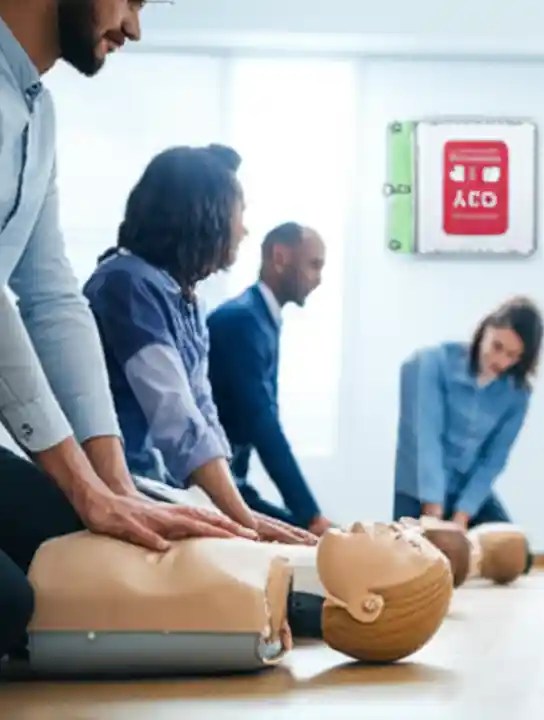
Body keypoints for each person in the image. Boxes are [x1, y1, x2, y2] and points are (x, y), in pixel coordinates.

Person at [0, 1, 254, 663]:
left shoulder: (36, 114)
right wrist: (87, 486)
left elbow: (49, 295)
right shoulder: (130, 283)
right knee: (9, 602)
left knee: (79, 540)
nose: (135, 27)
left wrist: (111, 488)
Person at [82, 144, 317, 548]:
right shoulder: (127, 282)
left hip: (163, 485)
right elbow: (175, 414)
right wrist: (246, 523)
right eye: (239, 215)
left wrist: (240, 513)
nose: (243, 231)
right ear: (204, 216)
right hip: (127, 488)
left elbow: (204, 412)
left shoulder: (185, 295)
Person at [207, 222, 332, 535]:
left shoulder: (259, 318)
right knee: (307, 541)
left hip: (230, 482)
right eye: (314, 265)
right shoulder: (242, 321)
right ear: (280, 257)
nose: (318, 279)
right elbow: (262, 423)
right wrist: (310, 516)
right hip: (210, 487)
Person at [392, 297, 543, 534]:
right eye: (497, 347)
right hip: (418, 487)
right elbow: (427, 437)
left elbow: (494, 459)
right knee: (415, 555)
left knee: (514, 552)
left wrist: (462, 516)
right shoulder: (432, 362)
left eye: (513, 356)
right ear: (484, 331)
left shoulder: (518, 394)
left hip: (465, 489)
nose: (500, 361)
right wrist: (434, 512)